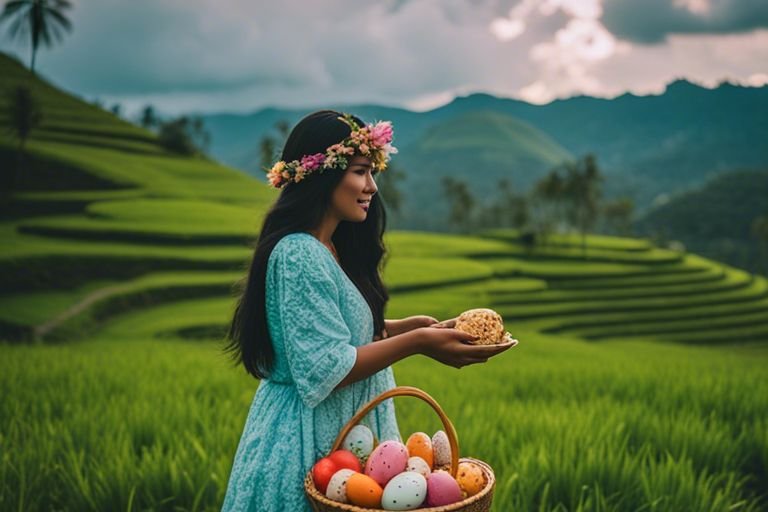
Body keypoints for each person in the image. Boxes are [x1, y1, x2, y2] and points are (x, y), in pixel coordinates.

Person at [220, 110, 515, 511]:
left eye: (372, 172)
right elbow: (327, 366)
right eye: (361, 171)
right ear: (321, 176)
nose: (372, 186)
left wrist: (398, 328)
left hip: (349, 430)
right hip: (311, 438)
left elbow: (331, 331)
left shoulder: (331, 247)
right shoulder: (299, 254)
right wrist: (419, 342)